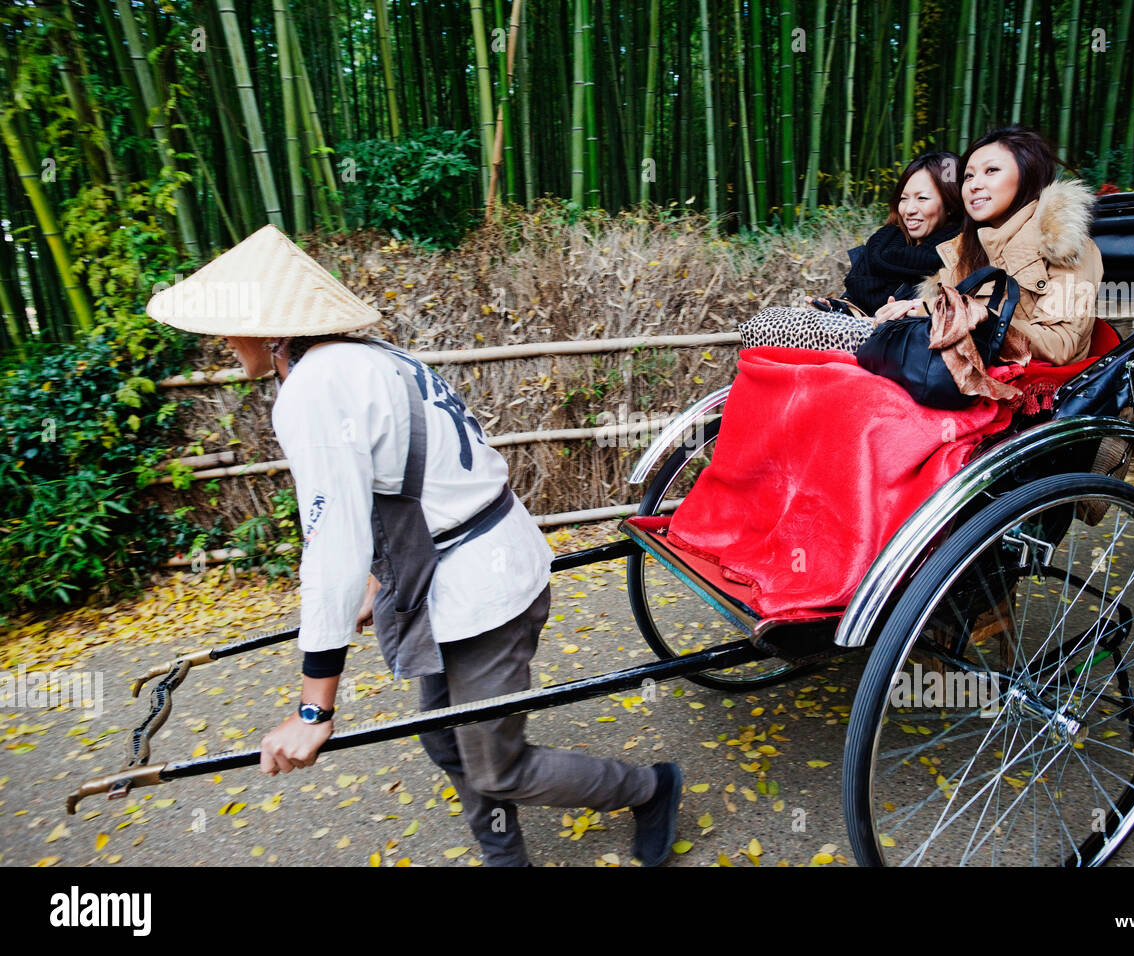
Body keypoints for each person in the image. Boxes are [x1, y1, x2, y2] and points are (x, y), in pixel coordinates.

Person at [145, 225, 683, 867]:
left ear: (268, 327)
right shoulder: (368, 358)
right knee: (445, 741)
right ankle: (504, 857)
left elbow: (332, 548)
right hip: (457, 570)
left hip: (484, 590)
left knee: (498, 768)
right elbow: (410, 483)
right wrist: (378, 584)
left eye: (226, 327)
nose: (221, 343)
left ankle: (650, 788)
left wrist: (314, 710)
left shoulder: (315, 389)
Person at [875, 125, 1103, 366]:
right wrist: (913, 310)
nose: (974, 185)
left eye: (991, 170)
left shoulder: (1067, 247)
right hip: (960, 374)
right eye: (968, 176)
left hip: (1035, 388)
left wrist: (978, 319)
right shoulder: (961, 250)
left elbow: (1061, 344)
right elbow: (953, 318)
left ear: (1028, 175)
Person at [809, 151, 962, 317]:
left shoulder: (960, 259)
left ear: (950, 205)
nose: (909, 210)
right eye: (904, 199)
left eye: (922, 198)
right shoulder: (881, 246)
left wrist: (919, 310)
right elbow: (858, 310)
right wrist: (835, 308)